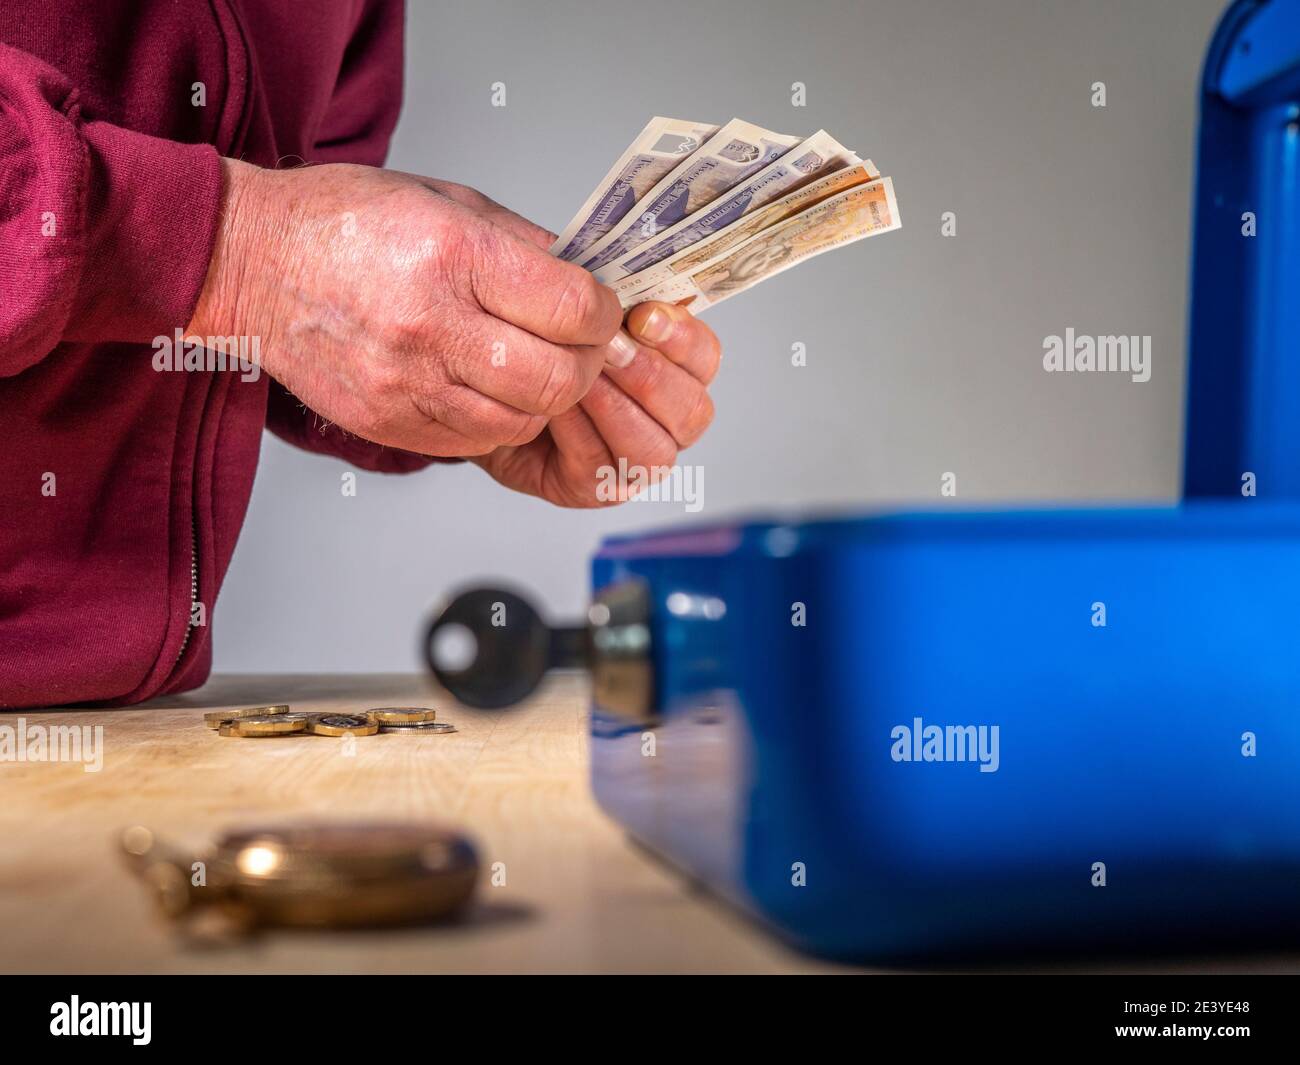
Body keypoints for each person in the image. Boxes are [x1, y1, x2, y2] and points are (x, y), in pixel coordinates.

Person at [0, 0, 721, 709]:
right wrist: (241, 251)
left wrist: (474, 375)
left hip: (125, 714)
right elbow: (255, 256)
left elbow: (291, 290)